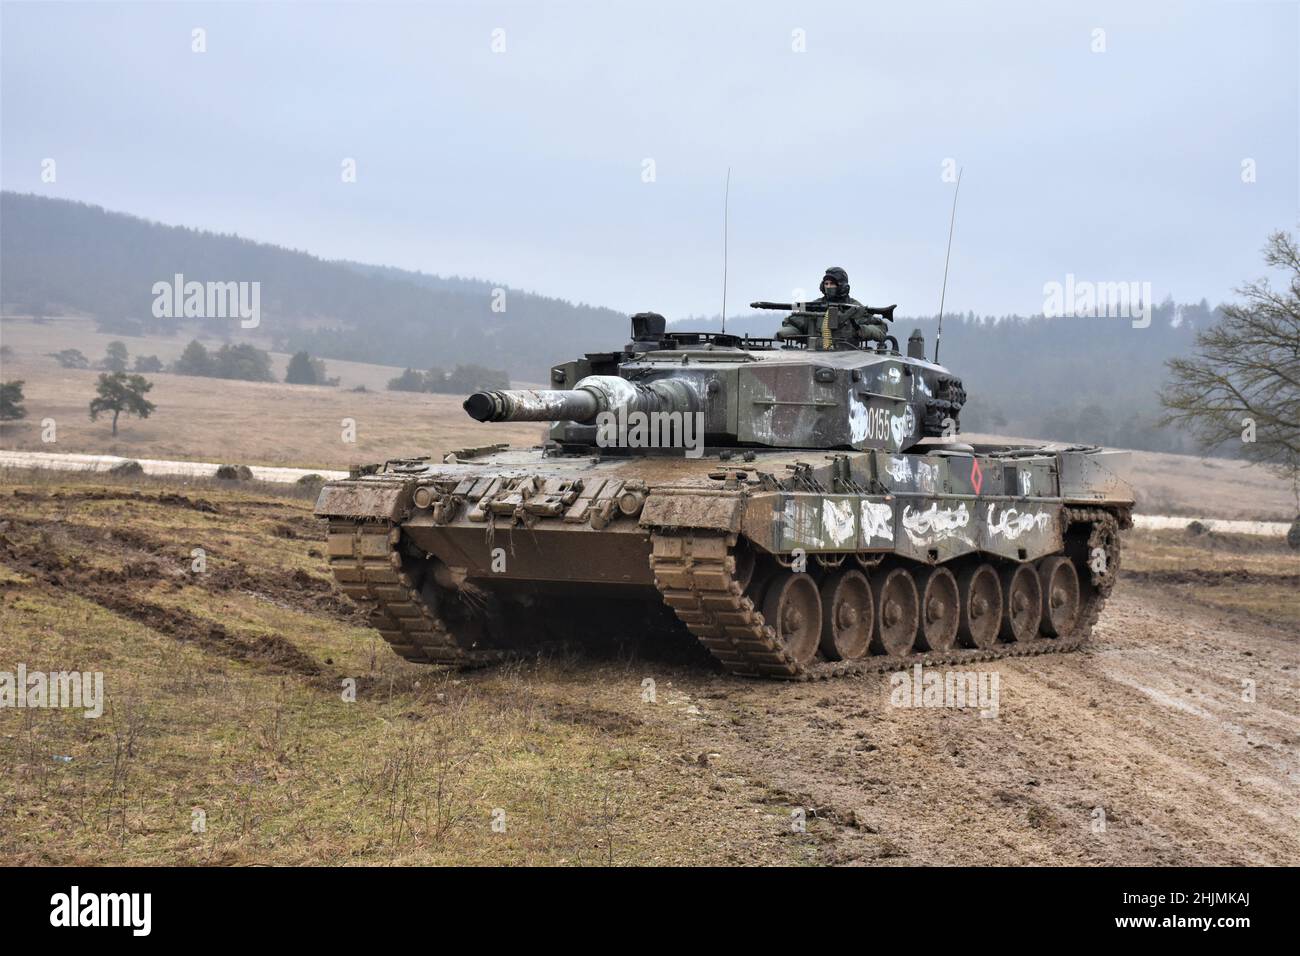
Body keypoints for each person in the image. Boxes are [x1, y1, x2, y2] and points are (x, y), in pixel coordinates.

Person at [777, 267, 887, 345]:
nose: (829, 287)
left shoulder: (855, 307)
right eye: (826, 284)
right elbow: (793, 322)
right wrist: (786, 332)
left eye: (832, 284)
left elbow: (881, 328)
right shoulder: (814, 305)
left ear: (842, 286)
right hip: (815, 354)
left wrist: (861, 330)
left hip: (849, 355)